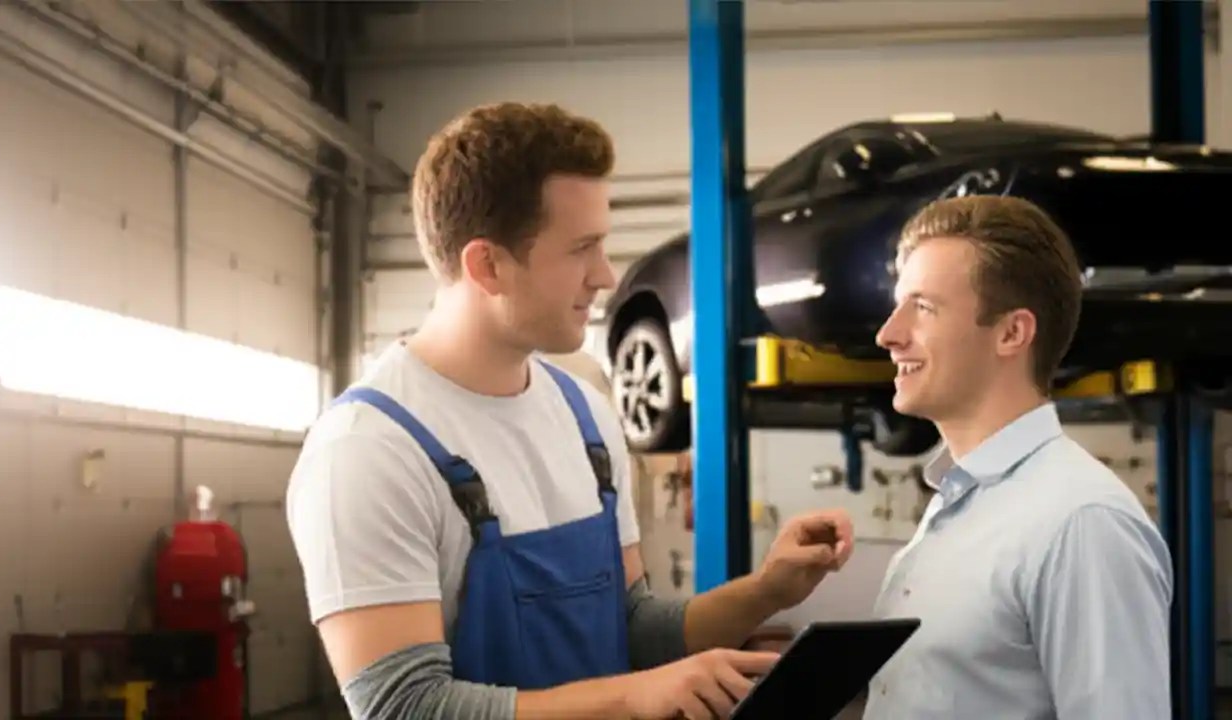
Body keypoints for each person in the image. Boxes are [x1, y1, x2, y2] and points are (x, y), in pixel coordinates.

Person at [285, 102, 855, 720]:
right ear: (488, 266)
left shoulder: (586, 413)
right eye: (582, 249)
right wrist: (636, 696)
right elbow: (403, 706)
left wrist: (766, 591)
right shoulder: (368, 451)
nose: (605, 276)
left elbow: (632, 629)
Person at [862, 195, 1173, 719]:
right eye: (898, 306)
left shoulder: (1082, 523)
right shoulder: (959, 502)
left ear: (1011, 333)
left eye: (923, 308)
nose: (888, 335)